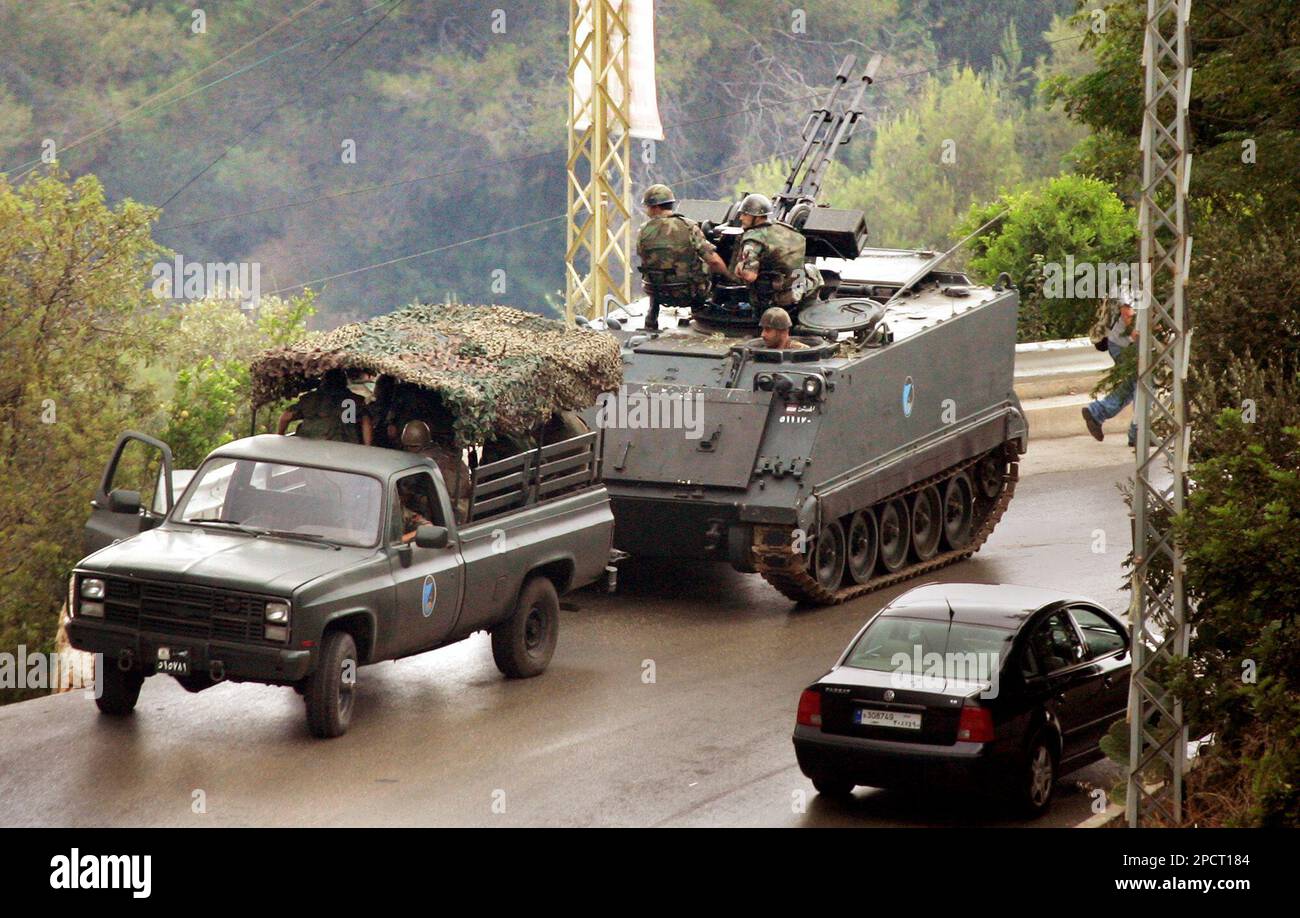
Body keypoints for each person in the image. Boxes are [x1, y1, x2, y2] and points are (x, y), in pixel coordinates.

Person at [636, 183, 730, 330]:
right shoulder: (688, 226)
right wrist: (728, 276)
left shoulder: (643, 230)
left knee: (656, 269)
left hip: (655, 289)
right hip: (687, 292)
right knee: (707, 266)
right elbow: (714, 261)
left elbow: (644, 256)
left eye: (647, 206)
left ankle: (652, 314)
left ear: (655, 207)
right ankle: (700, 310)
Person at [731, 193, 821, 317]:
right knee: (813, 270)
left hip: (770, 300)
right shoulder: (789, 231)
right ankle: (810, 315)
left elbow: (749, 276)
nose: (741, 218)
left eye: (745, 214)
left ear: (757, 217)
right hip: (797, 292)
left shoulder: (753, 238)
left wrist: (739, 267)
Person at [1082, 300, 1139, 447]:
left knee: (1134, 386)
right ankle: (1139, 431)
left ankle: (1097, 412)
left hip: (1122, 343)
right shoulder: (1133, 280)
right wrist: (1134, 332)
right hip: (1125, 344)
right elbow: (1127, 311)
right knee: (1145, 384)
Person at [399, 420, 472, 523]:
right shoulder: (444, 453)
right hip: (464, 507)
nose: (408, 450)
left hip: (448, 512)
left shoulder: (419, 462)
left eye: (411, 447)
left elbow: (406, 491)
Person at [278, 368, 373, 444]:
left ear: (324, 381)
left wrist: (280, 435)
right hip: (344, 446)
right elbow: (366, 424)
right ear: (344, 382)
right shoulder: (354, 400)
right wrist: (367, 447)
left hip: (309, 445)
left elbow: (286, 416)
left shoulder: (309, 399)